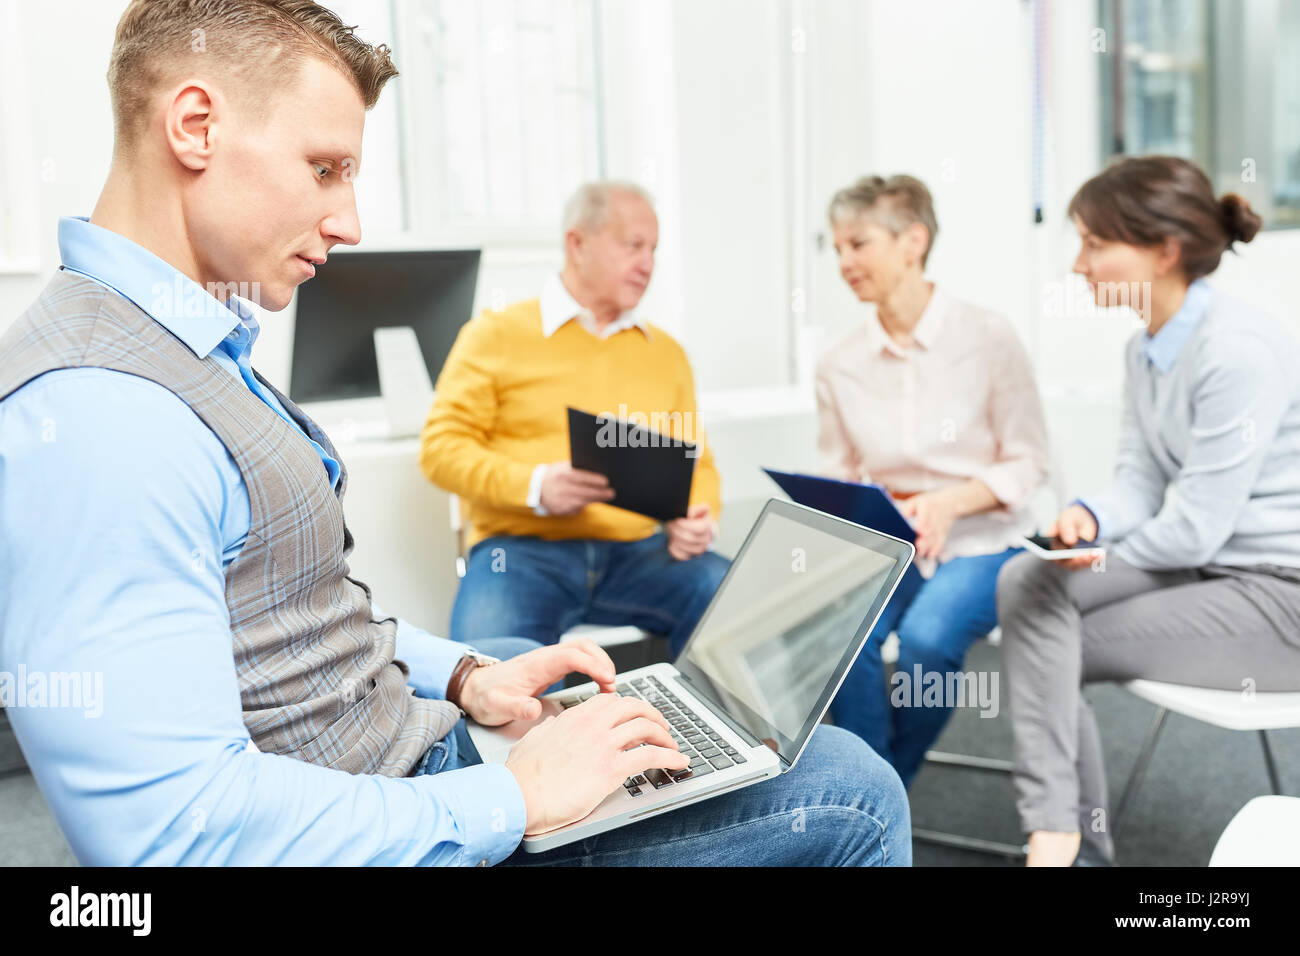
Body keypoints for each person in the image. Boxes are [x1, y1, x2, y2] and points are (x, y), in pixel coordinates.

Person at [0, 0, 910, 867]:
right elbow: (169, 835)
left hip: (413, 735)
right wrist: (518, 798)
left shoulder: (186, 341)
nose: (349, 223)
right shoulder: (101, 414)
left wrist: (466, 675)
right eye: (325, 169)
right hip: (402, 796)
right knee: (854, 792)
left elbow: (289, 616)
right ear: (194, 127)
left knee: (554, 670)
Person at [997, 155, 1300, 866]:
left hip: (1279, 595)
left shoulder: (1238, 350)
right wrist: (1087, 517)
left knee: (1044, 640)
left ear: (1164, 251)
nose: (1080, 264)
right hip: (1207, 568)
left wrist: (1098, 554)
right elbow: (1138, 483)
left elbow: (1196, 523)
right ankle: (1064, 836)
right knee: (1026, 583)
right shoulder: (1146, 348)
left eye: (1095, 244)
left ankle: (1060, 842)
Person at [421, 181, 730, 658]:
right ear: (577, 243)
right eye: (633, 245)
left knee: (729, 596)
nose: (647, 263)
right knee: (490, 665)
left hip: (638, 554)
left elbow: (700, 464)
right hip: (519, 552)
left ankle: (717, 733)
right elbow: (441, 449)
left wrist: (700, 516)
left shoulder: (667, 354)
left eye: (653, 249)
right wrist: (535, 486)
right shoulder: (495, 335)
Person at [816, 174, 1050, 787]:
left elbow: (1028, 460)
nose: (844, 261)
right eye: (836, 247)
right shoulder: (839, 364)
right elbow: (836, 474)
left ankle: (885, 789)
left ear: (912, 241)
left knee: (926, 642)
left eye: (858, 244)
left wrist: (949, 504)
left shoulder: (988, 337)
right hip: (892, 544)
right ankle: (869, 790)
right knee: (839, 633)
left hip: (985, 540)